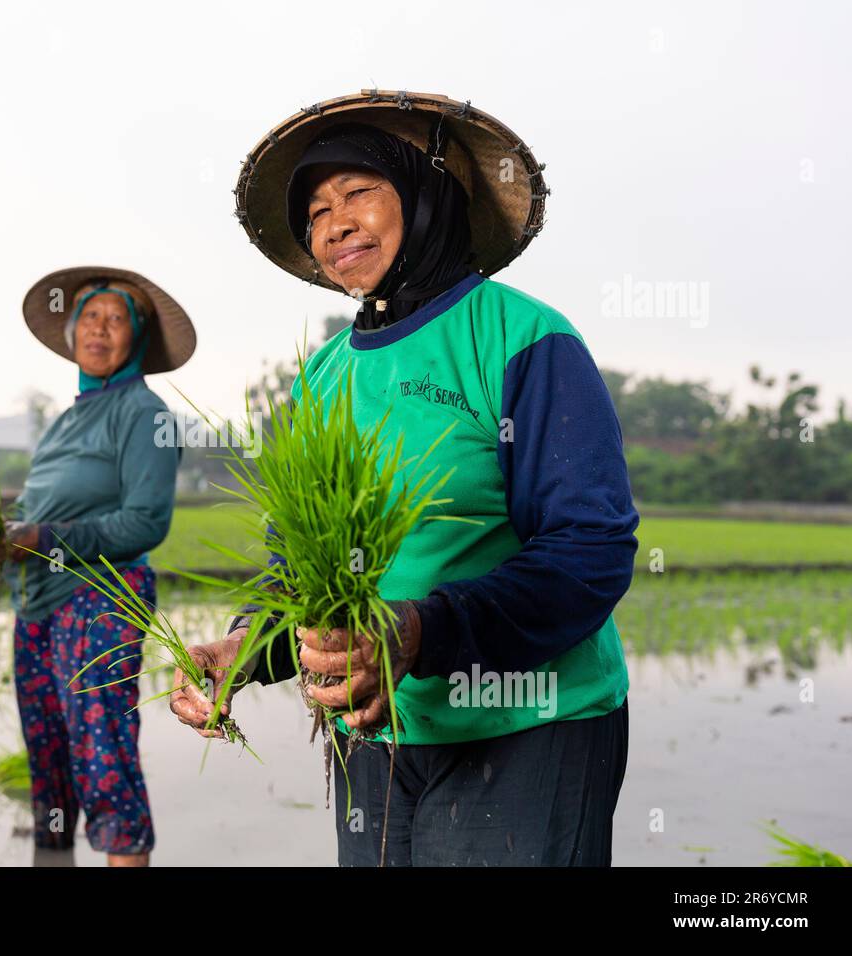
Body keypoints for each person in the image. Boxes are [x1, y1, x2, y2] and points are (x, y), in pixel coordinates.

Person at [170, 91, 635, 866]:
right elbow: (302, 572)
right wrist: (246, 649)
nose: (335, 223)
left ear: (427, 200)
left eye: (358, 192)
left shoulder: (523, 339)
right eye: (315, 210)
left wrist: (422, 632)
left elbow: (589, 550)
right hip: (373, 735)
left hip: (525, 727)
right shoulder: (321, 378)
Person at [0, 267, 194, 867]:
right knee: (48, 764)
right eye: (89, 317)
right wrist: (8, 534)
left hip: (101, 599)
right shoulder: (66, 418)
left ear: (136, 337)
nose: (98, 329)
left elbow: (146, 523)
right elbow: (40, 502)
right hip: (37, 606)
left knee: (103, 756)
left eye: (115, 319)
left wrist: (45, 535)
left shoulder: (144, 412)